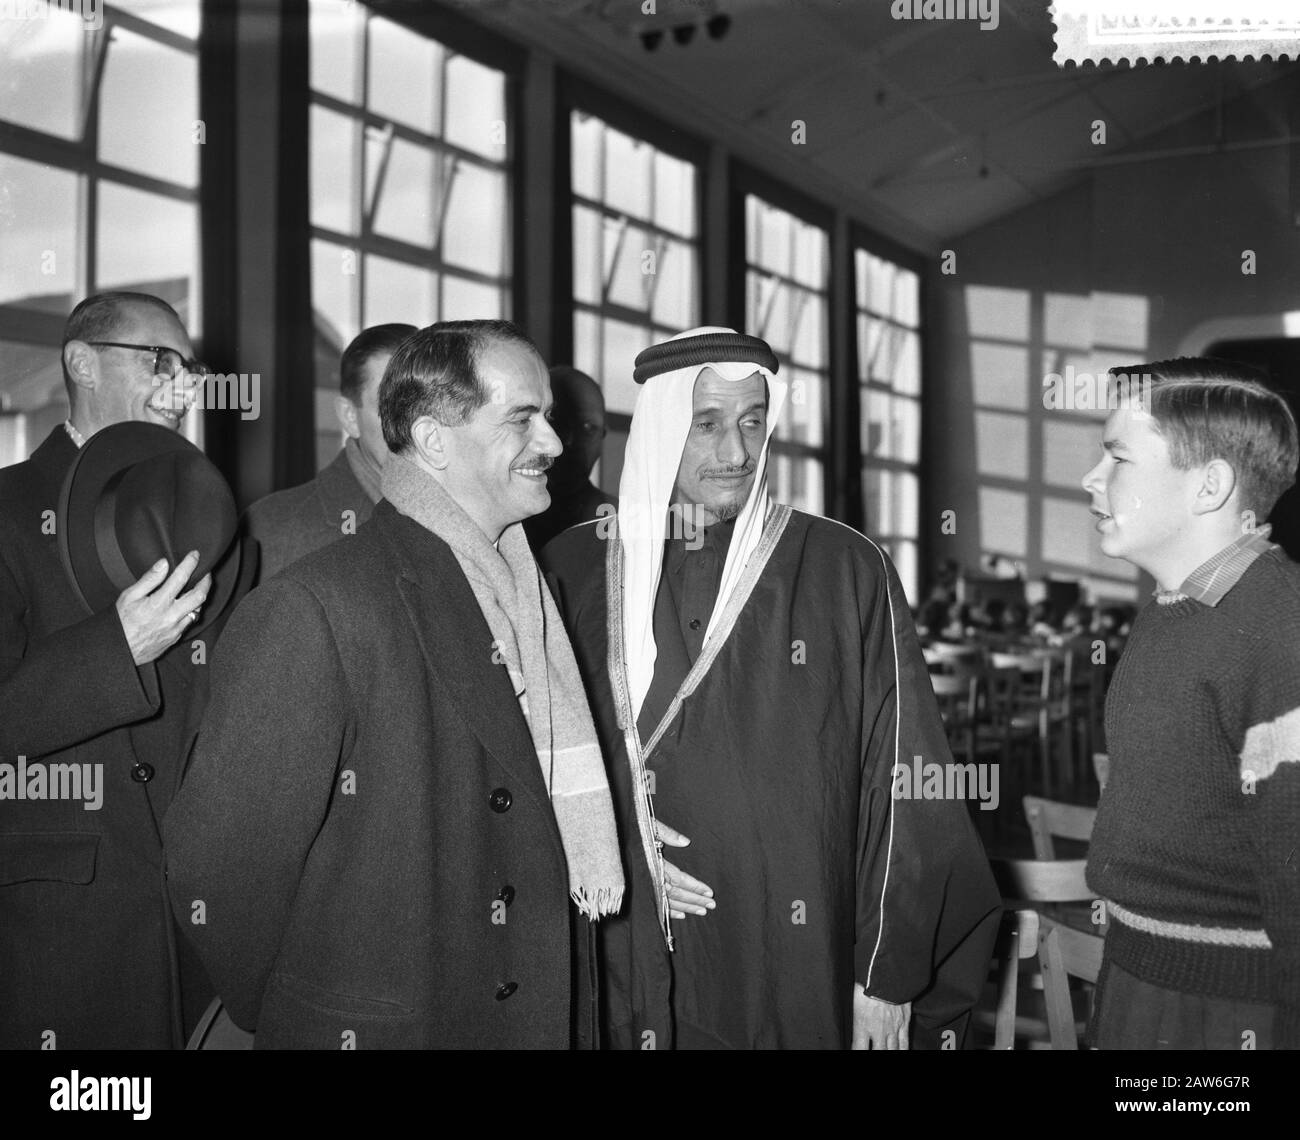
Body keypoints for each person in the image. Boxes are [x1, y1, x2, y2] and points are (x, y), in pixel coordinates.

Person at [163, 319, 624, 1048]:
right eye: (522, 420)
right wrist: (297, 1003)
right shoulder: (314, 609)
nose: (556, 446)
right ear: (435, 440)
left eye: (552, 418)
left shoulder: (528, 596)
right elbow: (217, 873)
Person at [541, 326, 1000, 1050]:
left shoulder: (845, 568)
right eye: (709, 424)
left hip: (790, 957)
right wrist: (618, 843)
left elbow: (908, 778)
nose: (736, 453)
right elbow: (525, 761)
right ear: (661, 428)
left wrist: (885, 975)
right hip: (617, 943)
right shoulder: (571, 567)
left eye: (753, 423)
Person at [0, 291, 221, 1048]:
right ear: (82, 364)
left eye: (189, 368)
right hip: (65, 934)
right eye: (160, 360)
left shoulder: (210, 514)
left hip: (204, 932)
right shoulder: (4, 508)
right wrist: (113, 650)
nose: (184, 385)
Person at [1080, 358, 1300, 1049]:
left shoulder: (1277, 626)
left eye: (1117, 456)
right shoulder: (1172, 610)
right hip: (1140, 977)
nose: (1091, 478)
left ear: (1209, 486)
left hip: (1229, 1007)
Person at [244, 323, 415, 580]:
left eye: (428, 403)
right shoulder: (273, 531)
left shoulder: (472, 514)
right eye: (392, 407)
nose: (418, 426)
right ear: (349, 417)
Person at [524, 365, 617, 551]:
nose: (568, 441)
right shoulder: (504, 519)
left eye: (588, 428)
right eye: (556, 423)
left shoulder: (623, 523)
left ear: (602, 439)